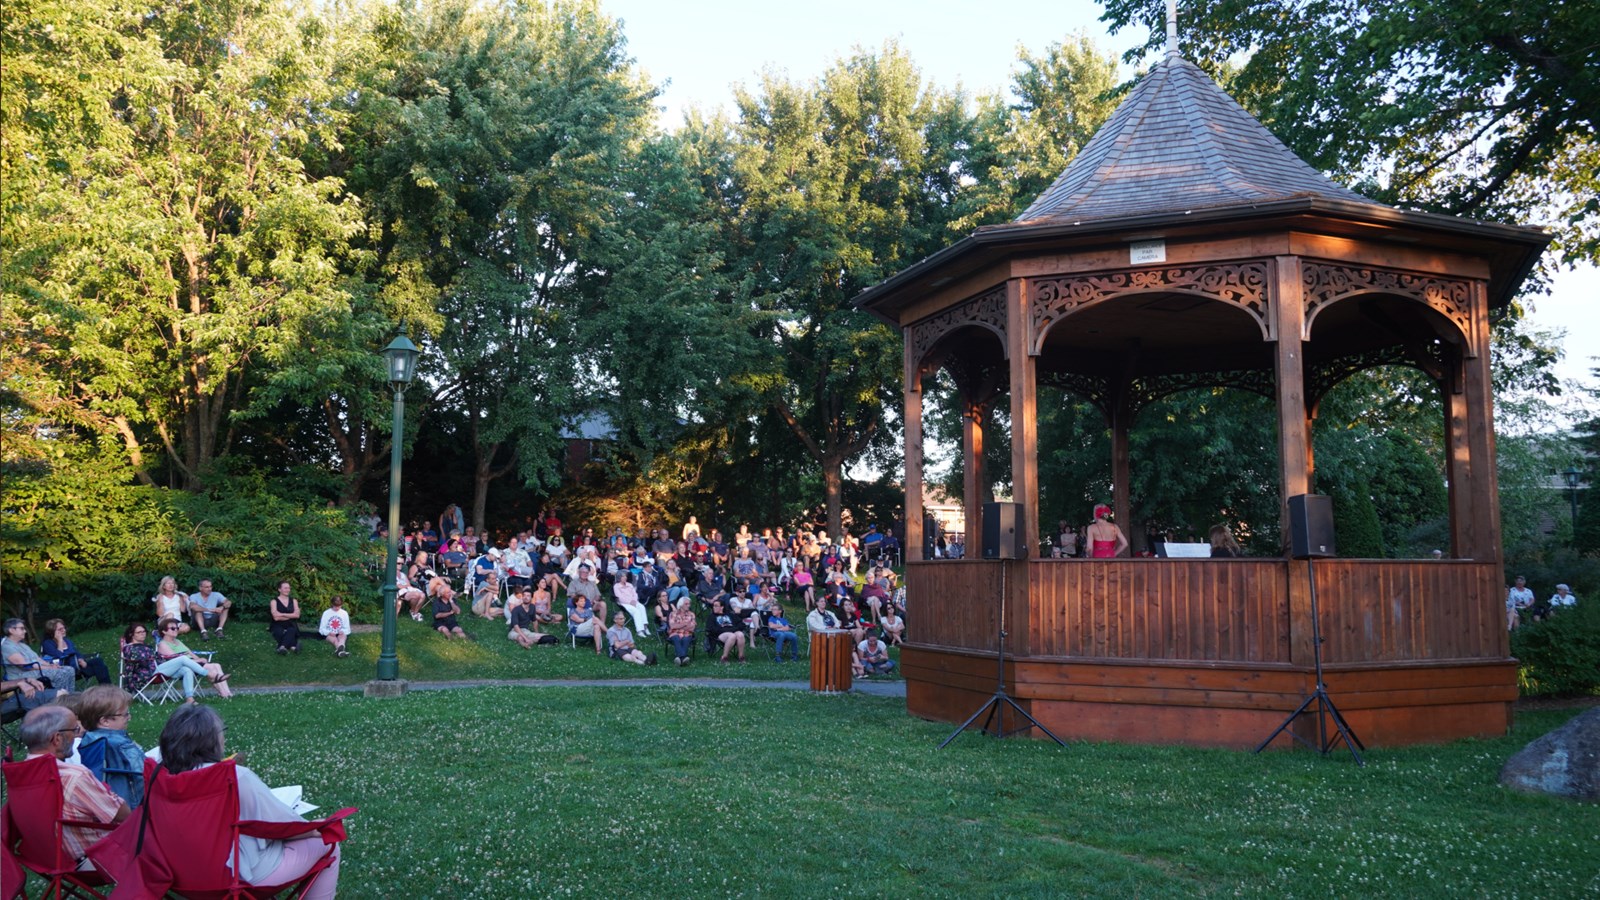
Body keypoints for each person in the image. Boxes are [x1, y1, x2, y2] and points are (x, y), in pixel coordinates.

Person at [154, 705, 342, 899]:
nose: (223, 738)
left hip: (181, 876)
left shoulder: (160, 779)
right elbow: (284, 825)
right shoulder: (233, 777)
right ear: (208, 741)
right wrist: (314, 829)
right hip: (235, 876)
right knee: (328, 844)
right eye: (221, 732)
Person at [19, 704, 131, 868]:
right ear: (57, 739)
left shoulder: (20, 773)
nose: (80, 733)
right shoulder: (73, 776)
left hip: (44, 858)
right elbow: (122, 816)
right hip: (91, 858)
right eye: (75, 730)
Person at [76, 684, 147, 807]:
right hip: (132, 806)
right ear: (105, 721)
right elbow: (144, 773)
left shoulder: (88, 739)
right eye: (124, 714)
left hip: (106, 803)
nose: (129, 717)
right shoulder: (121, 744)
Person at [156, 618, 234, 700]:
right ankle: (223, 693)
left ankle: (228, 693)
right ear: (164, 631)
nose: (176, 630)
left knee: (216, 665)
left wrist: (199, 659)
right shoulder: (162, 644)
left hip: (194, 664)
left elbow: (190, 653)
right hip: (180, 669)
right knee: (211, 668)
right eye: (172, 628)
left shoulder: (178, 641)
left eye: (177, 628)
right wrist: (198, 661)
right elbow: (176, 659)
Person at [4, 617, 77, 693]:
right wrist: (48, 668)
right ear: (11, 630)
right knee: (60, 673)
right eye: (22, 629)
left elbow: (37, 658)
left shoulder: (22, 645)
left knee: (69, 669)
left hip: (34, 670)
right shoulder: (7, 647)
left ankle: (70, 696)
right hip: (20, 675)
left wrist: (50, 665)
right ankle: (58, 698)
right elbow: (26, 666)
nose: (25, 631)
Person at [40, 618, 113, 686]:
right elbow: (59, 657)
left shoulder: (67, 641)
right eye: (60, 629)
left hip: (77, 668)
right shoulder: (48, 644)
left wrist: (81, 659)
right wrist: (60, 641)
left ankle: (107, 688)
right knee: (99, 669)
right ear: (52, 632)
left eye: (64, 628)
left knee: (98, 661)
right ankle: (106, 689)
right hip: (65, 671)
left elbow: (77, 653)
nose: (64, 630)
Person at [705, 598, 746, 664]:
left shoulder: (730, 615)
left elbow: (741, 624)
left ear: (722, 607)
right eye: (713, 606)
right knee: (732, 636)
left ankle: (741, 656)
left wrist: (734, 629)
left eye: (716, 606)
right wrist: (727, 630)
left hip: (733, 631)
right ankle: (724, 657)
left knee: (740, 634)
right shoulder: (712, 617)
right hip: (720, 634)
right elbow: (711, 628)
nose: (714, 607)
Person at [269, 581, 302, 655]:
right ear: (279, 589)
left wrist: (281, 614)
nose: (288, 590)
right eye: (285, 588)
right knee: (280, 633)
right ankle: (293, 647)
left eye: (289, 588)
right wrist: (291, 615)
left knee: (291, 630)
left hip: (291, 624)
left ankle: (281, 647)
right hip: (277, 624)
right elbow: (276, 618)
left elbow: (297, 615)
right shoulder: (274, 601)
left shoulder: (294, 601)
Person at [667, 598, 697, 666]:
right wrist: (685, 624)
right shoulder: (673, 614)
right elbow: (672, 626)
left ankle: (679, 658)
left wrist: (679, 625)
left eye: (689, 604)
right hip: (674, 633)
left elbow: (692, 627)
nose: (688, 605)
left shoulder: (691, 614)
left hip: (687, 633)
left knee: (686, 638)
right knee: (676, 638)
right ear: (680, 605)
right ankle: (683, 658)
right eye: (686, 604)